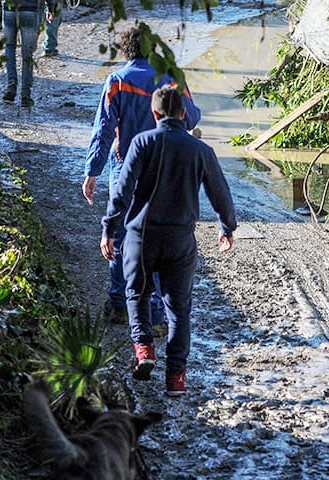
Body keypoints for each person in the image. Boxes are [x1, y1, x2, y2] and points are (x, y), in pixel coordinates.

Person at [100, 85, 236, 396]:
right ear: (184, 114)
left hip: (141, 236)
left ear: (154, 113)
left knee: (136, 293)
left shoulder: (142, 142)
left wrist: (109, 227)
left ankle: (145, 349)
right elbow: (220, 193)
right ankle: (176, 378)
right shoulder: (201, 150)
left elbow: (122, 191)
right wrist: (227, 227)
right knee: (179, 309)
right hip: (180, 240)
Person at [83, 25, 201, 332]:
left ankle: (119, 305)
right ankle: (158, 317)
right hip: (166, 168)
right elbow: (193, 116)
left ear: (125, 51)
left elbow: (104, 130)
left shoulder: (117, 81)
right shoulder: (171, 77)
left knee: (122, 237)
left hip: (126, 168)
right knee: (160, 237)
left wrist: (92, 171)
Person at [2, 0, 55, 107]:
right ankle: (25, 95)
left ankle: (11, 85)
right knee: (27, 53)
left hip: (9, 10)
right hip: (30, 10)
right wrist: (51, 8)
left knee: (9, 47)